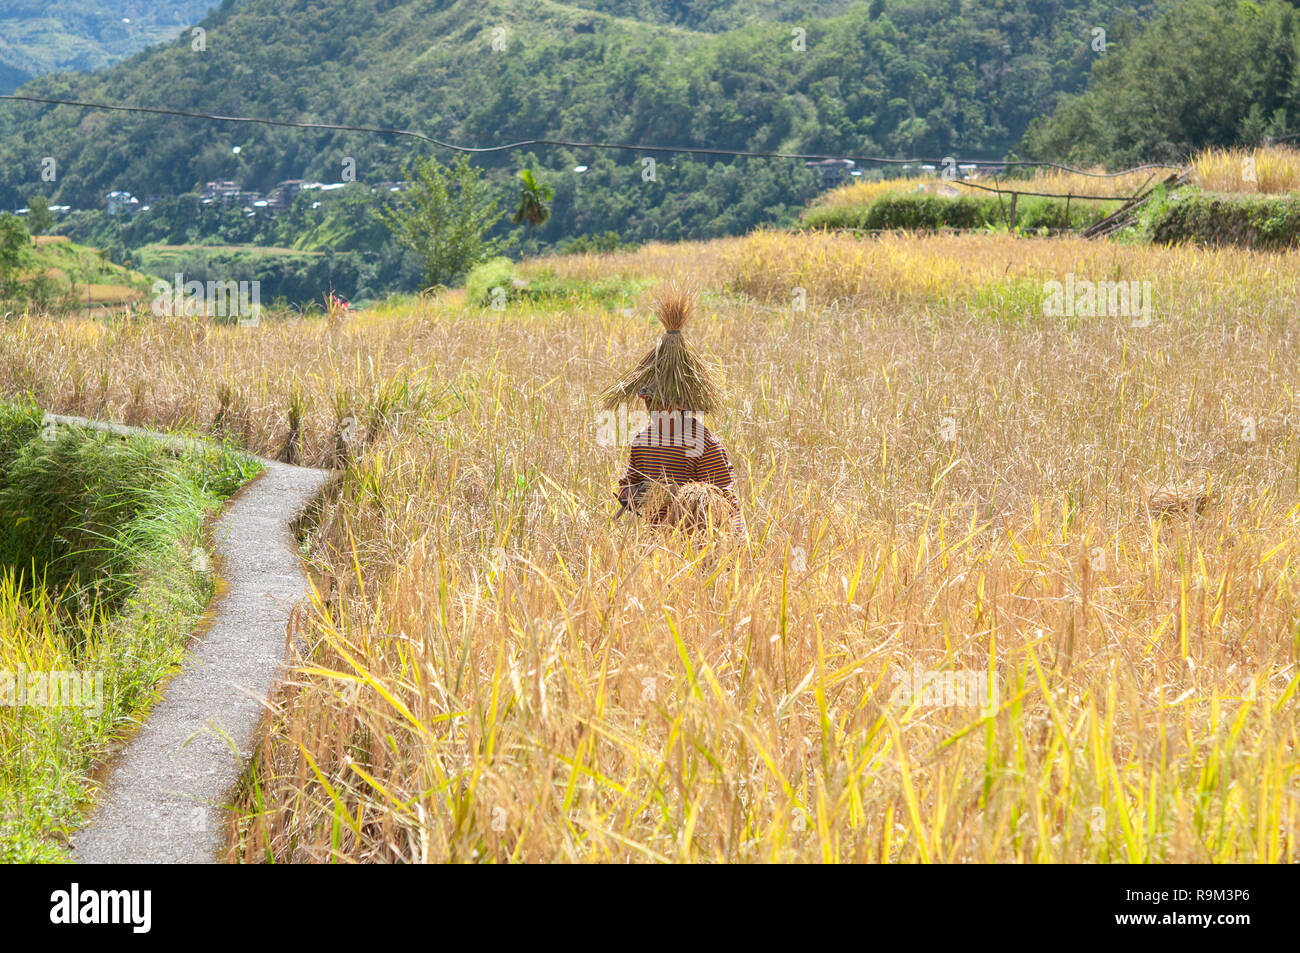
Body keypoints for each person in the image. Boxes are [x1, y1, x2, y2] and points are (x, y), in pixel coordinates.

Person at [602, 289, 739, 529]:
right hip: (659, 543)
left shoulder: (704, 444)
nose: (651, 408)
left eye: (659, 402)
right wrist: (630, 494)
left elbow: (724, 501)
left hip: (699, 541)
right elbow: (628, 483)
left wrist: (678, 496)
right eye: (647, 401)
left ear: (681, 402)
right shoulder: (643, 441)